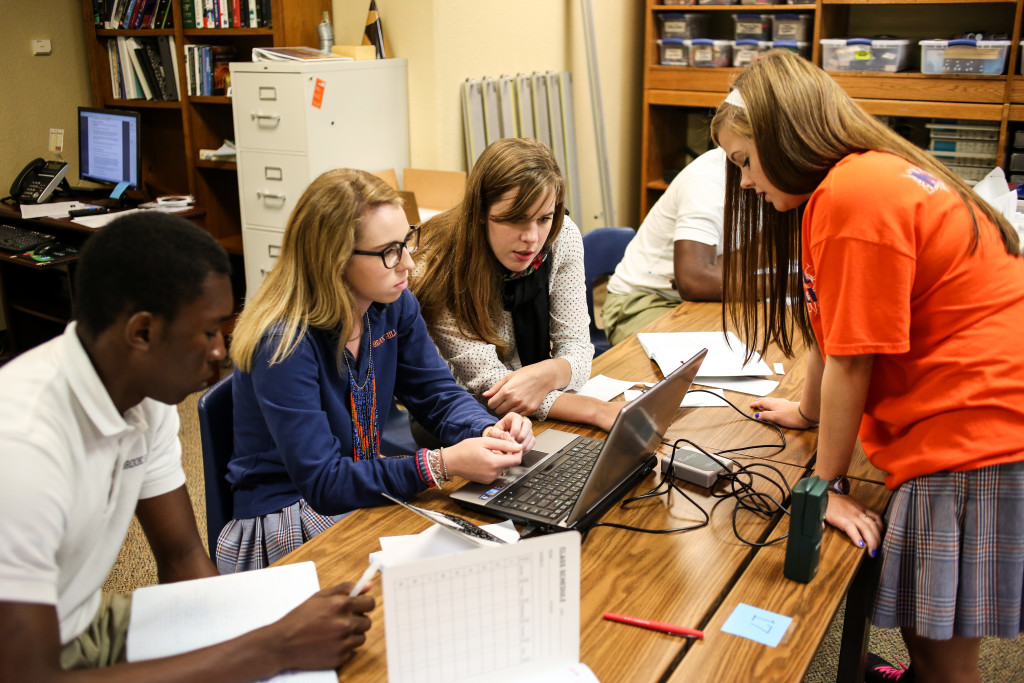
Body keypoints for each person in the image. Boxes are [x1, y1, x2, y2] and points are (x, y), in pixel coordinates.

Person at [711, 49, 1024, 683]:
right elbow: (836, 324)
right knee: (927, 628)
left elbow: (855, 361)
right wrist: (806, 411)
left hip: (974, 432)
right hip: (982, 417)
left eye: (744, 160)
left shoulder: (851, 197)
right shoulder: (869, 176)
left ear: (783, 137)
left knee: (941, 648)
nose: (743, 181)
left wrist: (821, 488)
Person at [0, 213, 374, 680]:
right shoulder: (21, 447)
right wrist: (272, 648)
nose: (223, 349)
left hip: (79, 617)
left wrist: (256, 635)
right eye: (210, 331)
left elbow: (181, 559)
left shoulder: (142, 395)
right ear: (142, 333)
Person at [221, 169, 533, 573]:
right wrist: (441, 464)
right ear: (334, 261)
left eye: (407, 241)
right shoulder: (283, 343)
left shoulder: (392, 304)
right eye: (390, 251)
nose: (408, 263)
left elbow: (437, 394)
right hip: (286, 514)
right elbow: (323, 482)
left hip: (358, 484)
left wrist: (485, 430)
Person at [411, 137, 622, 432]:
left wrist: (547, 372)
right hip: (461, 415)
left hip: (540, 397)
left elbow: (577, 348)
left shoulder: (561, 237)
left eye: (544, 218)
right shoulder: (438, 266)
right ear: (481, 213)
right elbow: (491, 388)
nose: (532, 238)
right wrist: (593, 409)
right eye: (515, 220)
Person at [602, 146, 727, 345]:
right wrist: (790, 284)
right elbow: (694, 283)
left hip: (694, 300)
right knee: (702, 357)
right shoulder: (707, 181)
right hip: (644, 301)